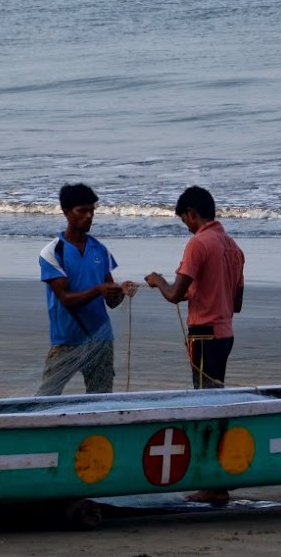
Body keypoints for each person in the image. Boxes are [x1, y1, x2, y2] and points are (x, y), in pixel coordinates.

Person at [145, 185, 245, 504]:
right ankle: (217, 479)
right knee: (216, 400)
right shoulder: (232, 247)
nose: (186, 226)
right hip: (225, 333)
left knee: (205, 407)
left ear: (192, 213)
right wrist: (201, 293)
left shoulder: (198, 243)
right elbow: (236, 301)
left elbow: (174, 293)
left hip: (203, 333)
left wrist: (158, 280)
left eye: (185, 220)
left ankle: (213, 484)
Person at [38, 183, 132, 395]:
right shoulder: (53, 252)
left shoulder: (100, 249)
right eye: (82, 211)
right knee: (46, 396)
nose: (89, 216)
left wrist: (120, 291)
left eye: (92, 211)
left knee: (100, 398)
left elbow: (111, 302)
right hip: (67, 340)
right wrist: (99, 290)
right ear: (66, 212)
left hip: (101, 339)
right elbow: (65, 298)